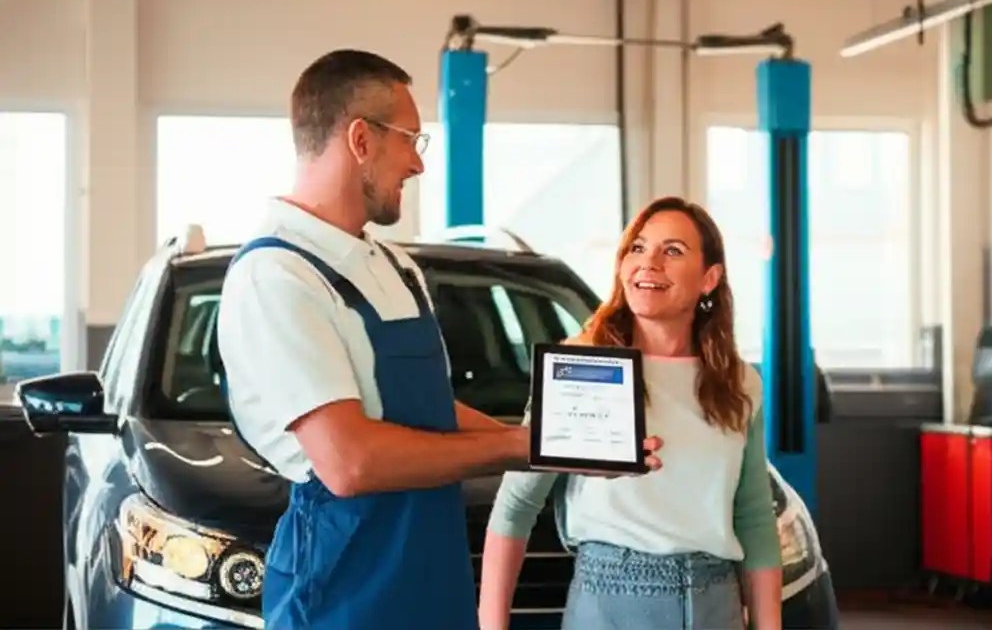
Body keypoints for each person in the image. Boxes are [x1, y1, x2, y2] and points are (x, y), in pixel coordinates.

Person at [215, 49, 648, 630]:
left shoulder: (394, 266)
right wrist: (521, 449)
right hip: (344, 584)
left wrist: (563, 445)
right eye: (411, 141)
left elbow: (424, 410)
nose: (418, 166)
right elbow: (349, 463)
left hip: (431, 568)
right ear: (361, 140)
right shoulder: (278, 277)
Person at [478, 196, 783, 630]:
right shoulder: (580, 366)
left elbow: (753, 516)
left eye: (672, 251)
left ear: (709, 278)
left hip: (716, 603)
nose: (649, 263)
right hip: (609, 602)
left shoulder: (739, 383)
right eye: (637, 248)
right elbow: (516, 505)